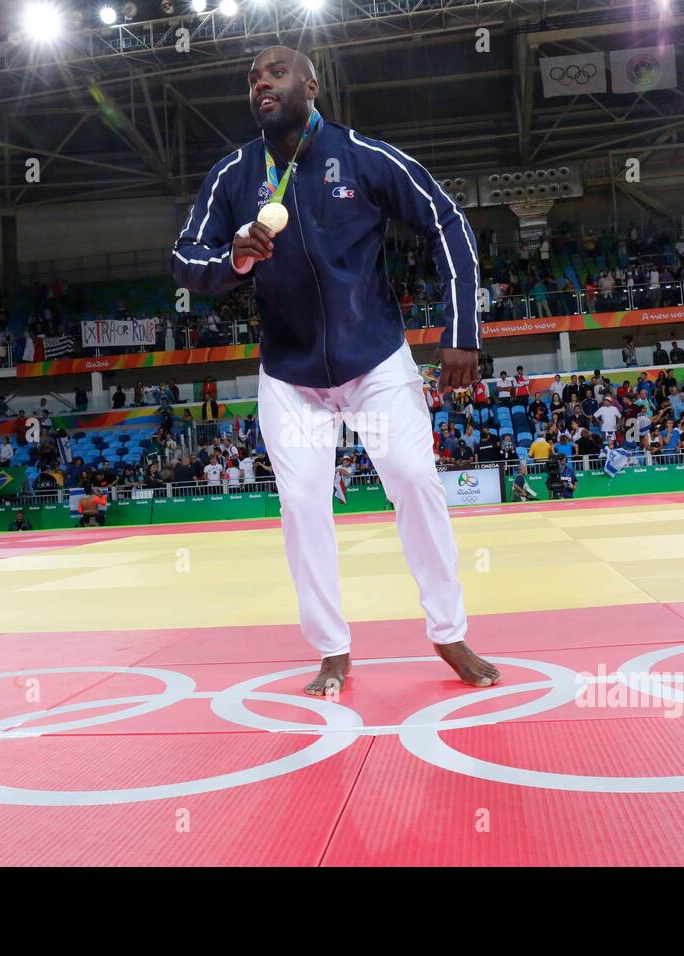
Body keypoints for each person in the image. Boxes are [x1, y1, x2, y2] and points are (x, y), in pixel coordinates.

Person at [171, 45, 498, 696]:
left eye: (275, 72)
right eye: (252, 78)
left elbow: (447, 221)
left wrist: (462, 330)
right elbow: (185, 261)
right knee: (302, 504)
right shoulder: (235, 173)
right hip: (290, 373)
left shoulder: (365, 157)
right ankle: (332, 651)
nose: (261, 82)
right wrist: (232, 258)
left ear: (311, 85)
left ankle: (448, 631)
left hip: (374, 359)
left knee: (413, 478)